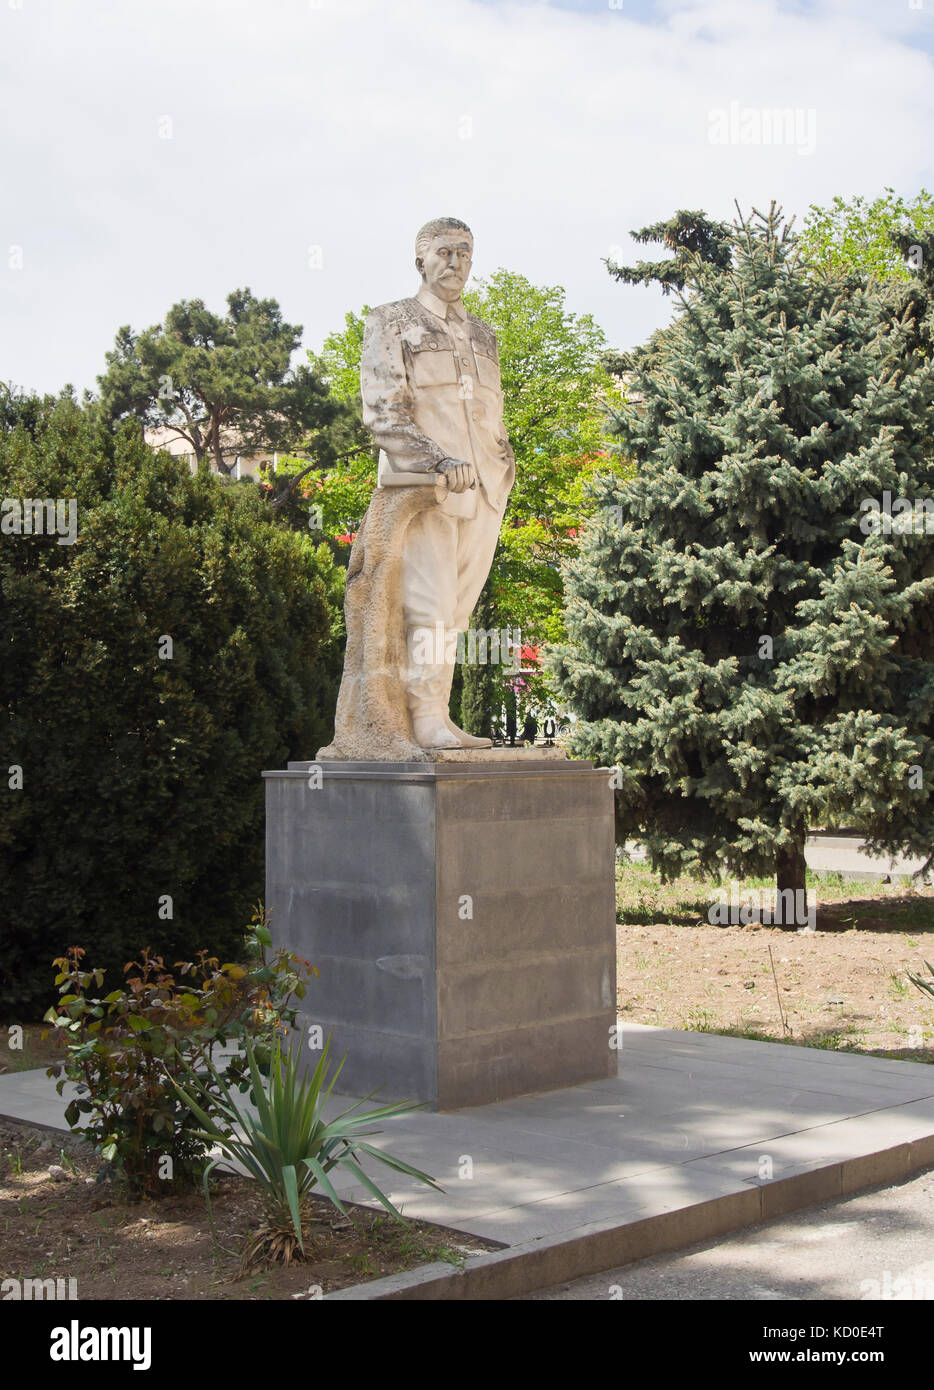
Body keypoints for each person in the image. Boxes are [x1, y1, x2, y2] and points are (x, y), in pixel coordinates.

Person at [359, 217, 515, 750]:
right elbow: (384, 411)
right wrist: (436, 461)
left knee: (455, 612)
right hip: (426, 487)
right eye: (445, 252)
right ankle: (422, 715)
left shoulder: (484, 336)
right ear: (420, 260)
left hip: (486, 490)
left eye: (466, 254)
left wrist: (504, 463)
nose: (456, 263)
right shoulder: (392, 321)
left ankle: (438, 714)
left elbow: (489, 416)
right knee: (427, 604)